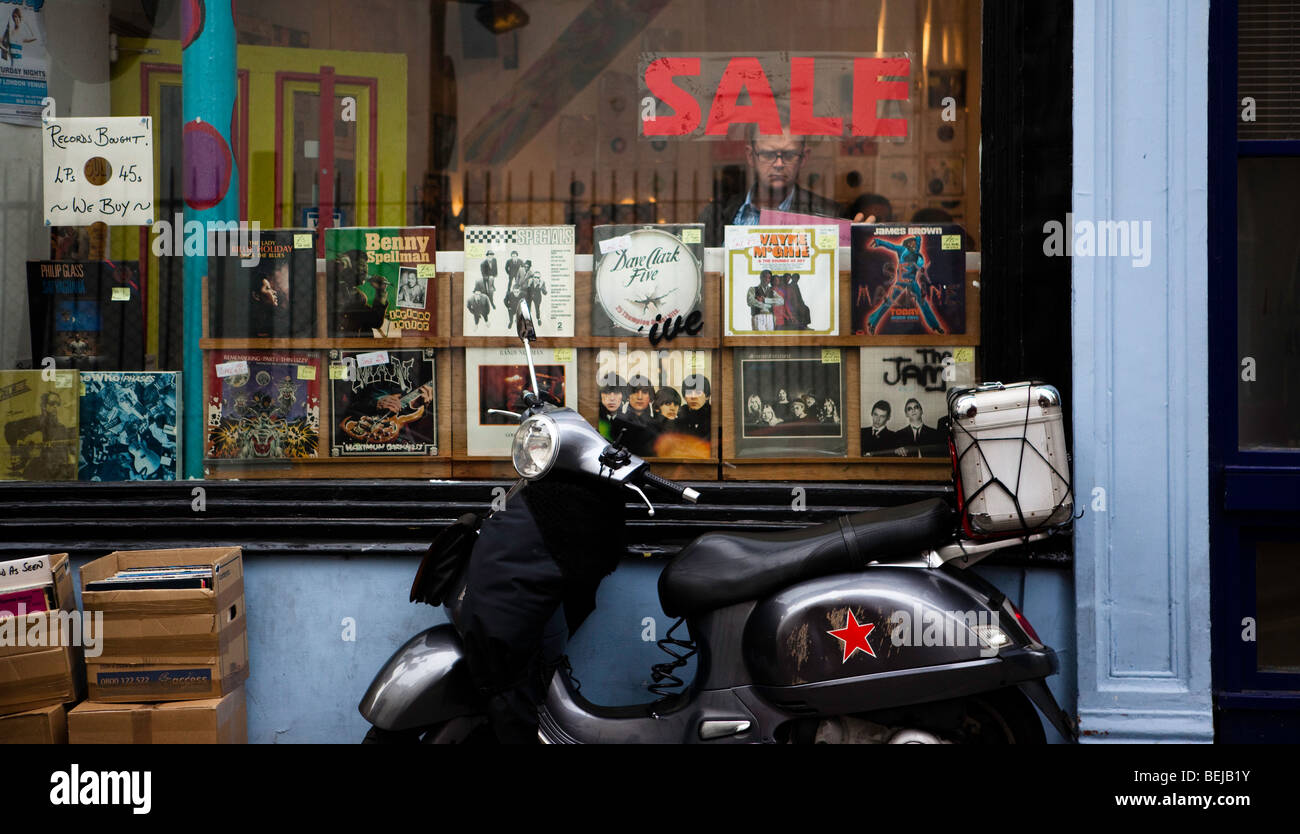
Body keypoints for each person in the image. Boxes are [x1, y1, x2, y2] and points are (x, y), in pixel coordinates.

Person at [698, 128, 842, 245]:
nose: (779, 164)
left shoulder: (829, 215)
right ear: (750, 156)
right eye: (768, 155)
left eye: (789, 155)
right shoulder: (715, 215)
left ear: (803, 158)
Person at [610, 375, 656, 456]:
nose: (639, 397)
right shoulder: (618, 423)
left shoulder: (657, 425)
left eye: (645, 392)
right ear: (628, 396)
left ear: (650, 397)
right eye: (635, 392)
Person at [677, 374, 712, 442]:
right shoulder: (679, 414)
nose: (693, 397)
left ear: (707, 396)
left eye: (698, 392)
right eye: (689, 392)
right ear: (684, 397)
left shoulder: (713, 416)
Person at [596, 373, 626, 439]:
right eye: (607, 392)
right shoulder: (594, 420)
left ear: (623, 396)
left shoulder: (629, 421)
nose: (612, 398)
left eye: (616, 392)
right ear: (600, 395)